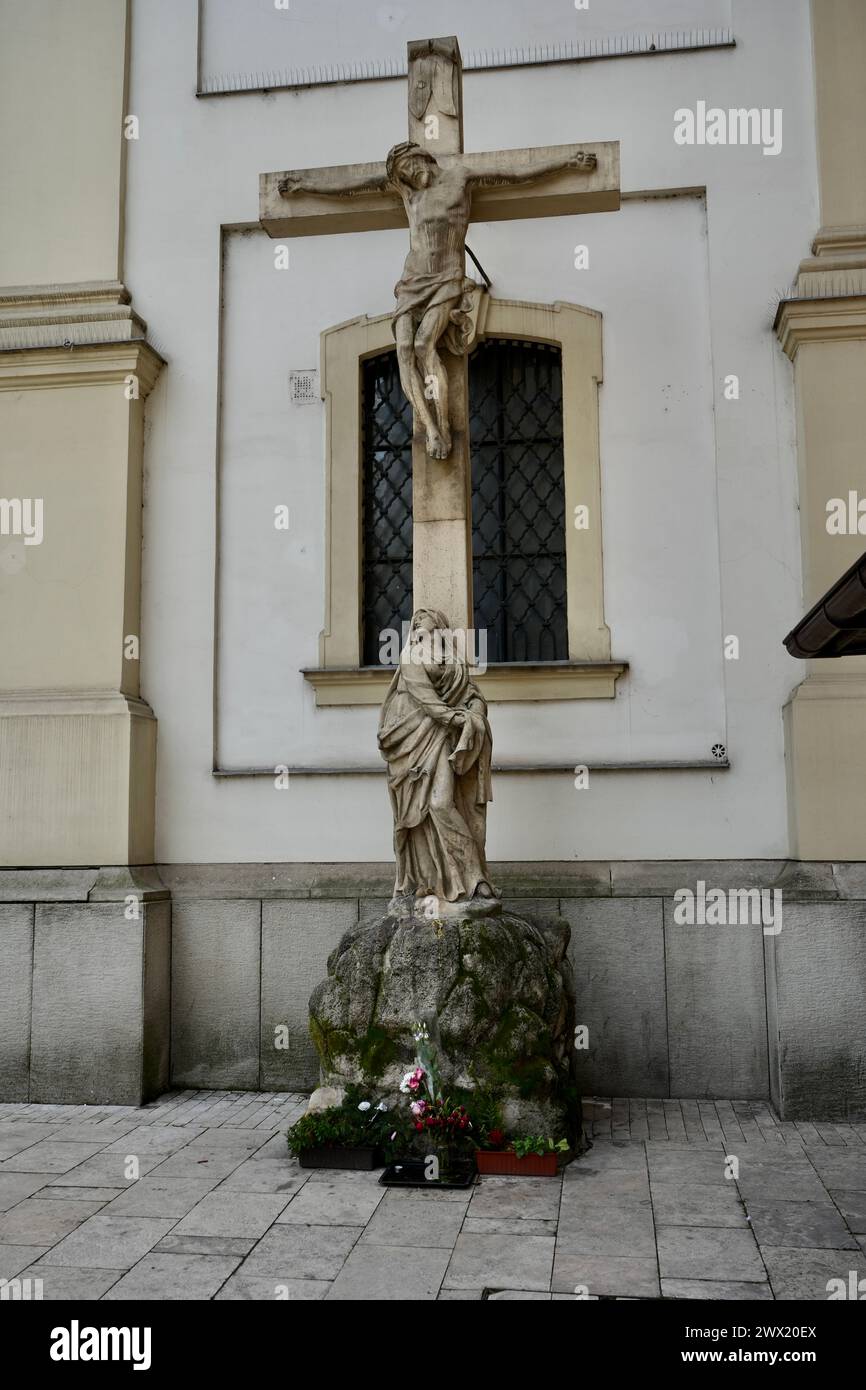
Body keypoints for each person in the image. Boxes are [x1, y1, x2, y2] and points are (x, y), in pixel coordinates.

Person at [378, 608, 495, 907]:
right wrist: (461, 720)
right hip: (410, 738)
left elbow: (472, 696)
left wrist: (476, 715)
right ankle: (432, 880)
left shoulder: (454, 665)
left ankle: (474, 878)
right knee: (427, 809)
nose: (417, 626)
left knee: (441, 803)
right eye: (415, 625)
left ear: (440, 630)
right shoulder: (410, 659)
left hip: (440, 736)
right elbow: (430, 703)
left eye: (424, 624)